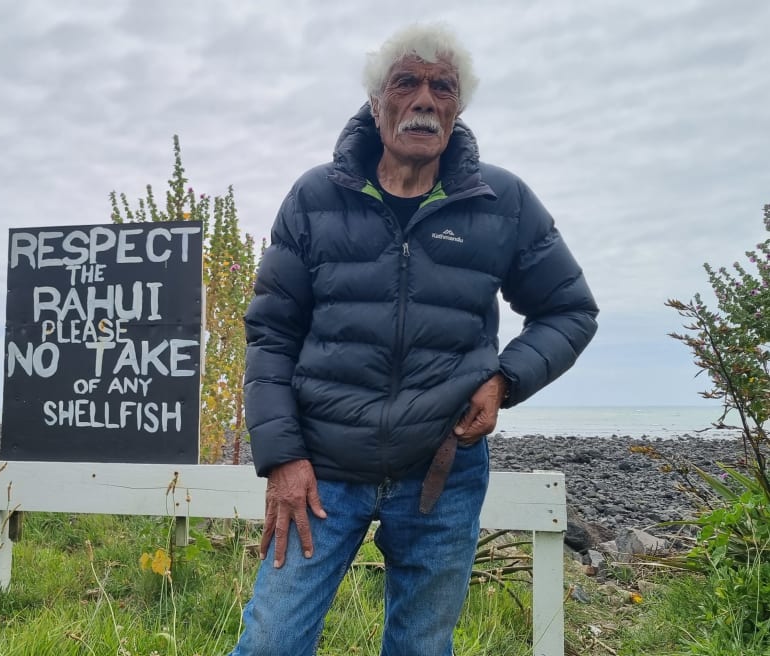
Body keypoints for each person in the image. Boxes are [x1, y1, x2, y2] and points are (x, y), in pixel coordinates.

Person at [232, 22, 598, 656]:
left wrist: (505, 379)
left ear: (457, 108)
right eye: (407, 82)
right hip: (320, 471)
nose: (425, 99)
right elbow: (270, 334)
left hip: (442, 472)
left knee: (422, 647)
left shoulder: (501, 202)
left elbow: (569, 310)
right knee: (271, 641)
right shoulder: (316, 196)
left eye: (443, 87)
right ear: (377, 104)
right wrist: (282, 460)